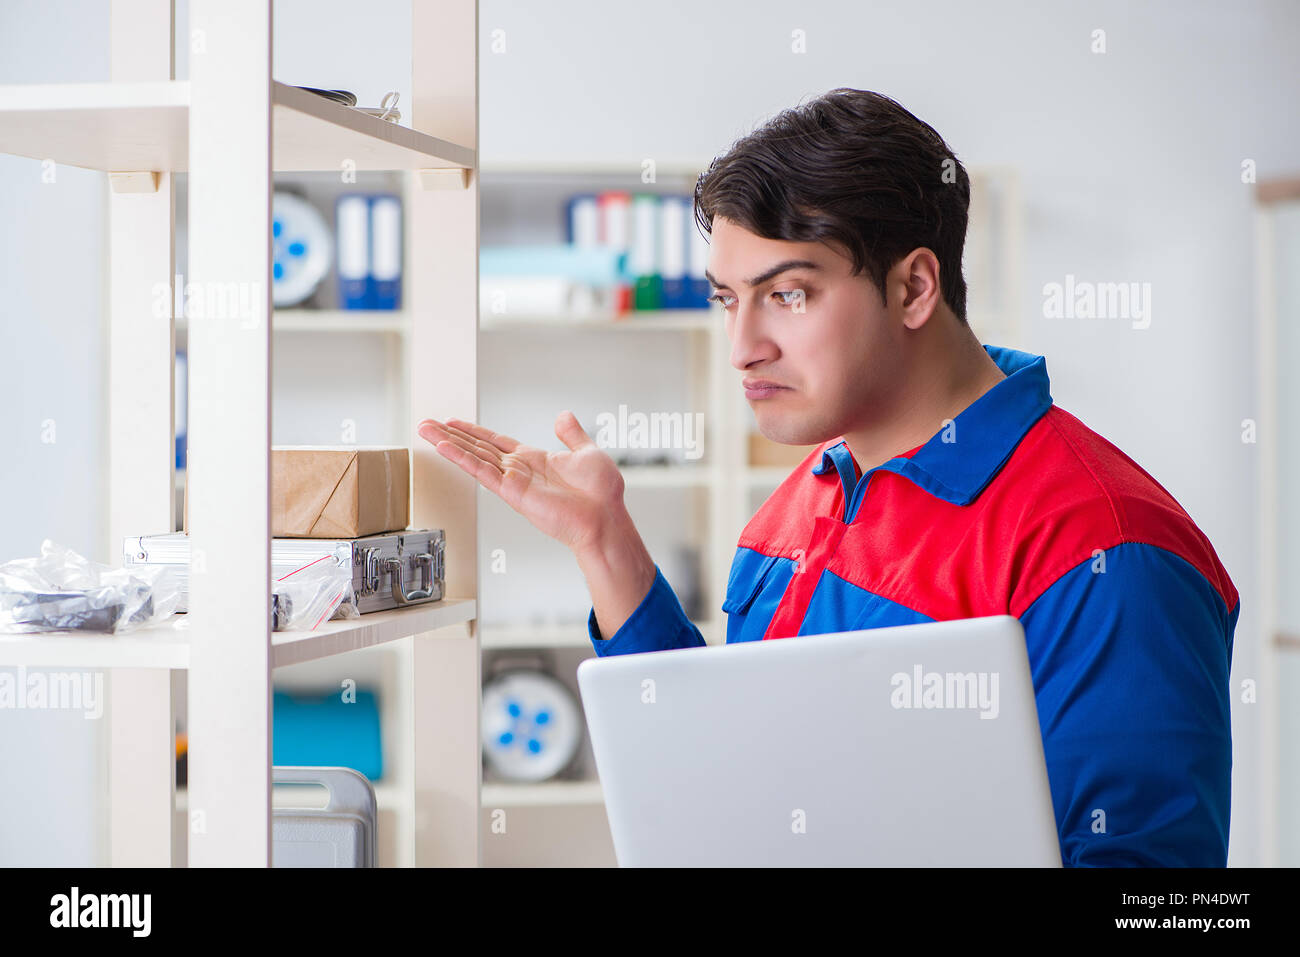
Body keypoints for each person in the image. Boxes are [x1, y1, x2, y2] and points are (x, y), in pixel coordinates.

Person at [418, 88, 1239, 867]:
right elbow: (730, 768)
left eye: (787, 294)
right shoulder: (804, 496)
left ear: (913, 286)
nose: (742, 345)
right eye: (725, 299)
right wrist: (604, 543)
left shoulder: (1106, 548)